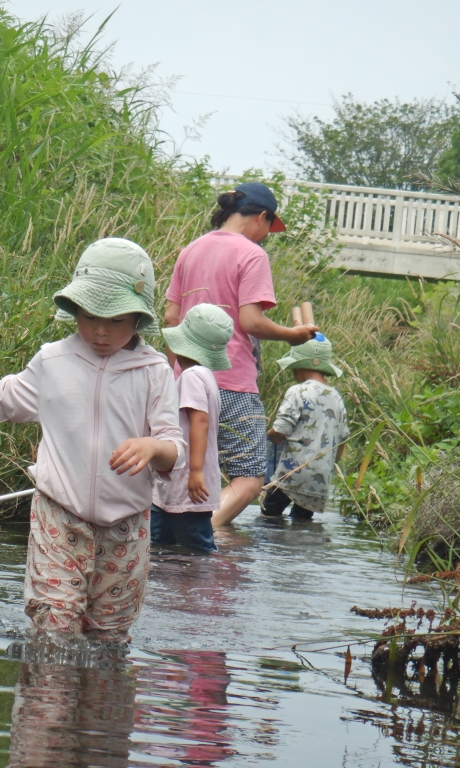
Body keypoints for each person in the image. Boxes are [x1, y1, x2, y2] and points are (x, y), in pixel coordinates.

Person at [0, 237, 186, 643]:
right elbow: (1, 399)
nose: (99, 330)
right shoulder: (53, 361)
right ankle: (47, 701)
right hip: (60, 514)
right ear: (74, 308)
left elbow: (172, 449)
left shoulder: (154, 371)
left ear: (138, 317)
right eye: (90, 315)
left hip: (126, 525)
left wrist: (153, 448)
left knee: (108, 636)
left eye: (115, 320)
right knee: (55, 622)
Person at [164, 182, 318, 528]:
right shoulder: (251, 254)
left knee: (182, 469)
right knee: (248, 478)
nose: (265, 236)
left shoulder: (190, 249)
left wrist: (174, 372)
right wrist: (292, 335)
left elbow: (171, 319)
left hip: (183, 379)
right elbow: (250, 321)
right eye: (268, 228)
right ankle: (205, 532)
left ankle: (169, 541)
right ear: (262, 217)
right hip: (231, 380)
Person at [151, 303, 234, 552]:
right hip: (174, 486)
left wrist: (195, 470)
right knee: (158, 544)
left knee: (198, 549)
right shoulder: (203, 375)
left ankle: (200, 588)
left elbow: (200, 421)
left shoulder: (192, 377)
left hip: (188, 484)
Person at [264, 335, 349, 520]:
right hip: (320, 478)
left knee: (268, 516)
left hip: (291, 473)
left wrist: (270, 435)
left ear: (300, 366)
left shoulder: (298, 391)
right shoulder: (337, 397)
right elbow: (342, 441)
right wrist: (329, 466)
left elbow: (281, 429)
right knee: (302, 523)